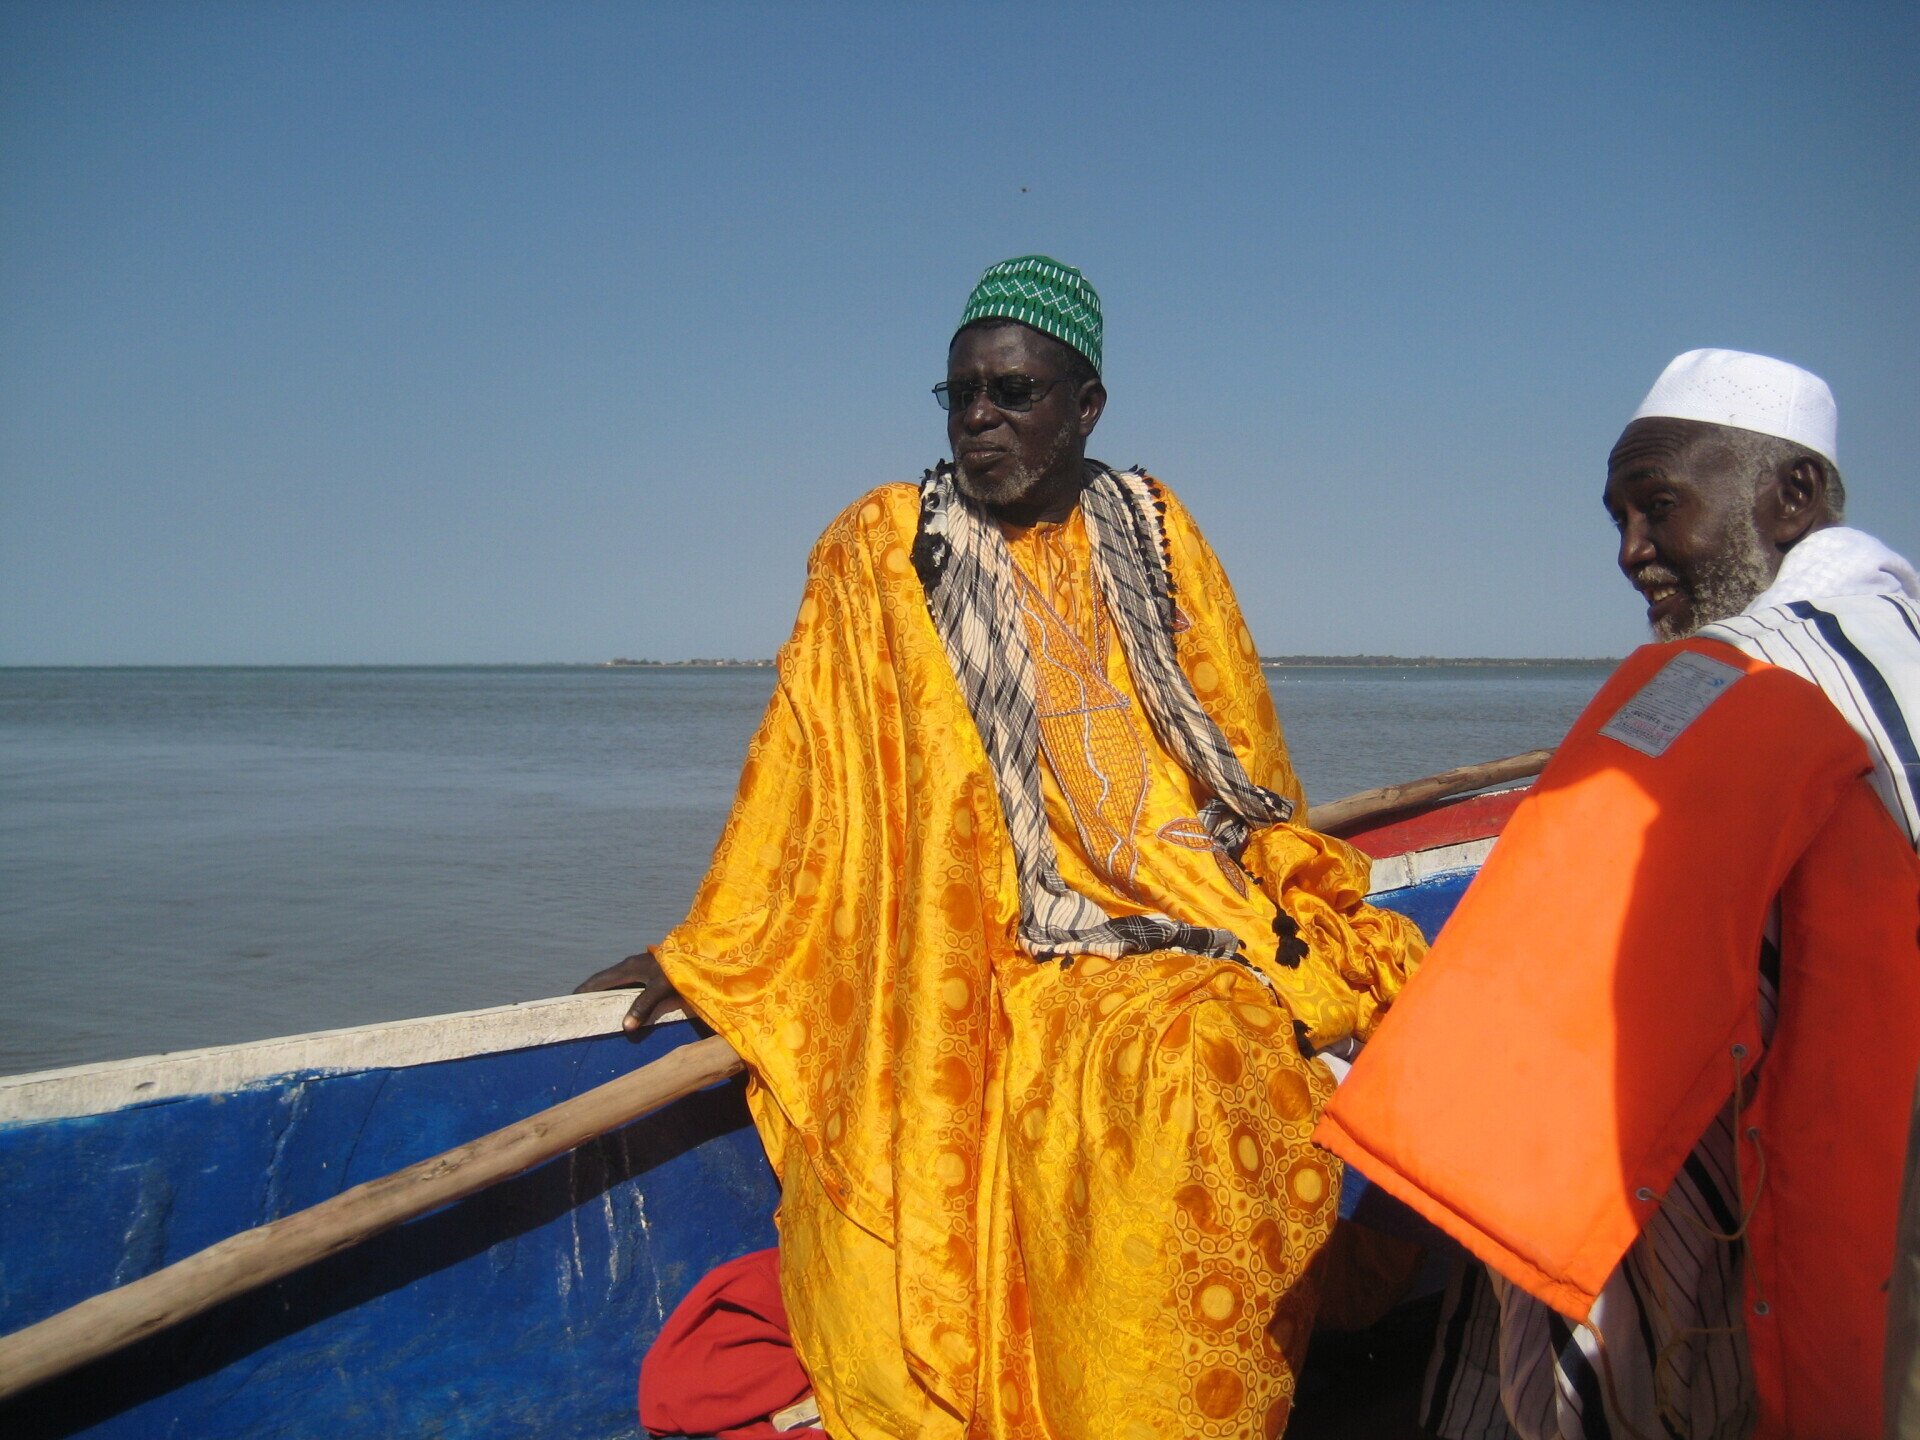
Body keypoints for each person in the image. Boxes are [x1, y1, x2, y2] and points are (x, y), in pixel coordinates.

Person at [577, 255, 1427, 1438]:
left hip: (1188, 905)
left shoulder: (1157, 529)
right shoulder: (882, 548)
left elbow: (1242, 752)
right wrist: (710, 943)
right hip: (995, 944)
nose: (981, 417)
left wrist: (1278, 881)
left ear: (1086, 408)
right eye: (961, 393)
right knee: (1156, 1071)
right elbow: (803, 765)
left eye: (1014, 393)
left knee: (1227, 1051)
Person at [1317, 349, 1920, 1440]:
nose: (1631, 552)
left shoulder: (1731, 682)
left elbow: (1560, 995)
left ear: (1793, 496)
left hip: (1731, 1221)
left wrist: (1353, 1071)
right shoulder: (1895, 639)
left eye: (1660, 508)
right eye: (1619, 518)